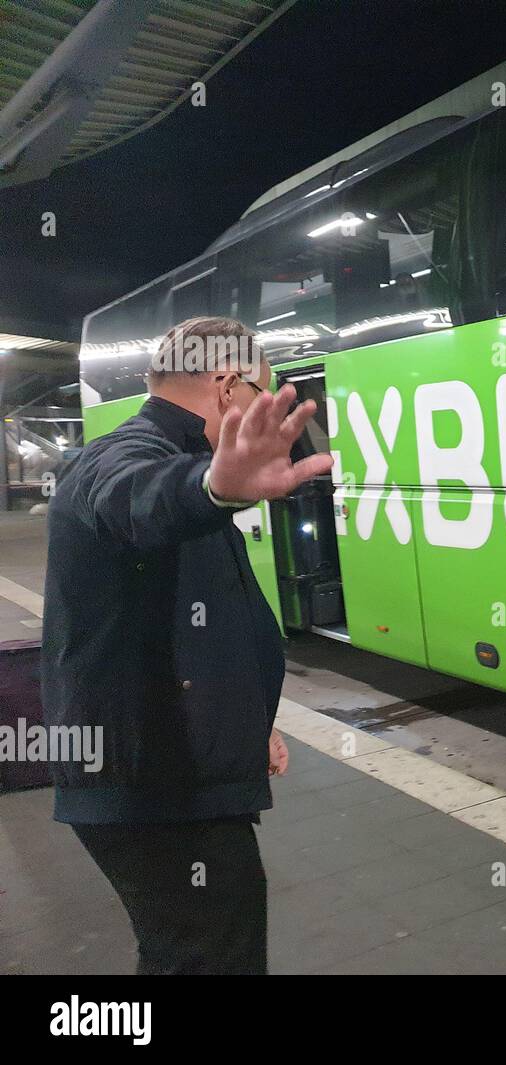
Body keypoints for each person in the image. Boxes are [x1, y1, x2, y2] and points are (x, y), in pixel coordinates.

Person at [41, 315, 333, 974]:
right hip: (155, 788)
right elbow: (137, 499)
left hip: (173, 767)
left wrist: (251, 723)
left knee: (190, 951)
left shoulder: (179, 458)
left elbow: (201, 622)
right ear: (229, 385)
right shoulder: (127, 456)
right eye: (263, 392)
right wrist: (213, 487)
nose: (264, 407)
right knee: (209, 955)